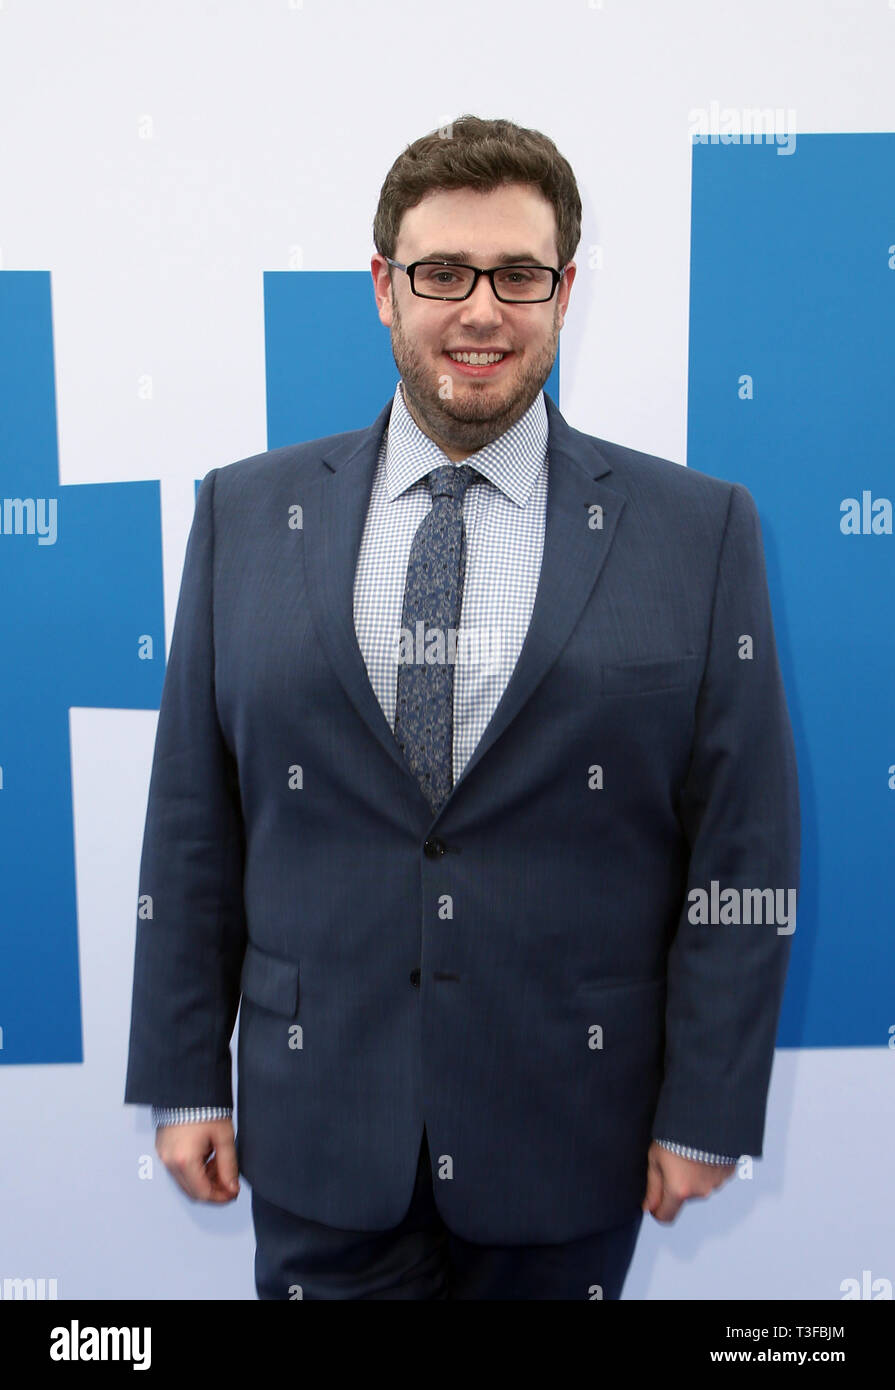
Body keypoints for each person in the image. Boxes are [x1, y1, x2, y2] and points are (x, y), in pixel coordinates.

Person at [125, 114, 800, 1300]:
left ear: (564, 290)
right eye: (442, 272)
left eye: (517, 275)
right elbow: (192, 824)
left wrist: (704, 1111)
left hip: (570, 1140)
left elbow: (741, 845)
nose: (479, 309)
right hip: (319, 1131)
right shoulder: (245, 515)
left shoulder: (698, 534)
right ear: (384, 288)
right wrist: (186, 1080)